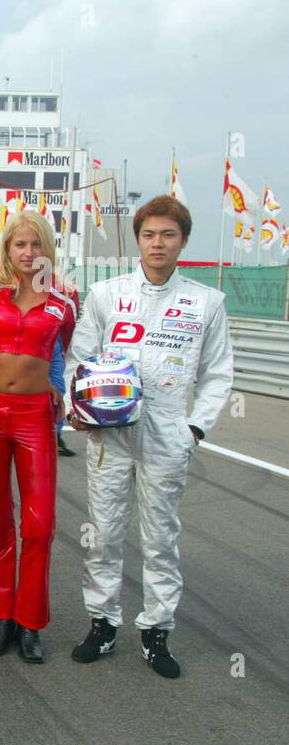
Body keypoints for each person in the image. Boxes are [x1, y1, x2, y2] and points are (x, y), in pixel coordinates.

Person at [66, 195, 233, 678]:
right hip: (109, 433)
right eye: (149, 234)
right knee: (103, 536)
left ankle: (157, 630)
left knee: (160, 538)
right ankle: (102, 622)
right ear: (137, 239)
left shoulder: (206, 302)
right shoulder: (104, 295)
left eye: (168, 235)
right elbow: (78, 359)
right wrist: (79, 411)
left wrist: (194, 428)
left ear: (182, 241)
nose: (158, 243)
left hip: (166, 435)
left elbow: (218, 374)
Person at [0, 212, 78, 663]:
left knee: (39, 525)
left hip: (35, 419)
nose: (29, 253)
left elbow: (66, 352)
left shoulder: (63, 303)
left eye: (36, 244)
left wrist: (54, 387)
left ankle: (31, 621)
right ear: (6, 250)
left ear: (48, 248)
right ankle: (3, 617)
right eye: (20, 245)